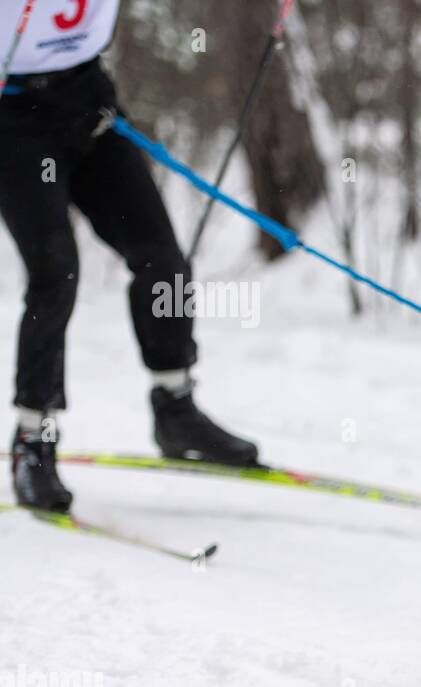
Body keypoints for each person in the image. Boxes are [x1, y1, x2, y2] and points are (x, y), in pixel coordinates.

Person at [1, 0, 258, 514]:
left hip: (87, 103)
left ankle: (175, 407)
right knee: (56, 273)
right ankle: (34, 437)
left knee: (162, 259)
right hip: (15, 120)